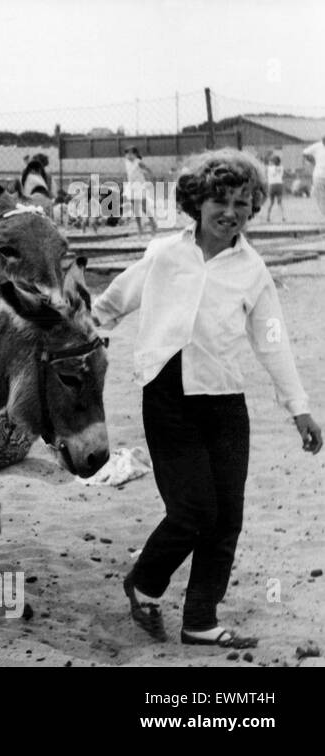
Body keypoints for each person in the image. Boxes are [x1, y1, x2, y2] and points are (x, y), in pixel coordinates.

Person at [94, 149, 322, 649]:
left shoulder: (253, 268)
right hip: (166, 396)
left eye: (243, 203)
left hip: (224, 402)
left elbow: (272, 339)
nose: (231, 212)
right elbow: (110, 304)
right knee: (193, 509)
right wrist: (84, 337)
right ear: (196, 202)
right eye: (220, 200)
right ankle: (146, 581)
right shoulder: (163, 255)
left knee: (227, 517)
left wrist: (298, 406)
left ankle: (199, 618)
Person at [301, 134, 325, 220]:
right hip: (319, 175)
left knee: (321, 198)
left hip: (319, 175)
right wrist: (312, 161)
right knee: (321, 197)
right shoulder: (318, 146)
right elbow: (304, 153)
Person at [264, 154, 286, 223]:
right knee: (280, 202)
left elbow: (266, 171)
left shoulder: (269, 168)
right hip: (279, 184)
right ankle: (283, 217)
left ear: (273, 162)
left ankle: (268, 217)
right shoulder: (281, 167)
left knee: (271, 202)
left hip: (272, 185)